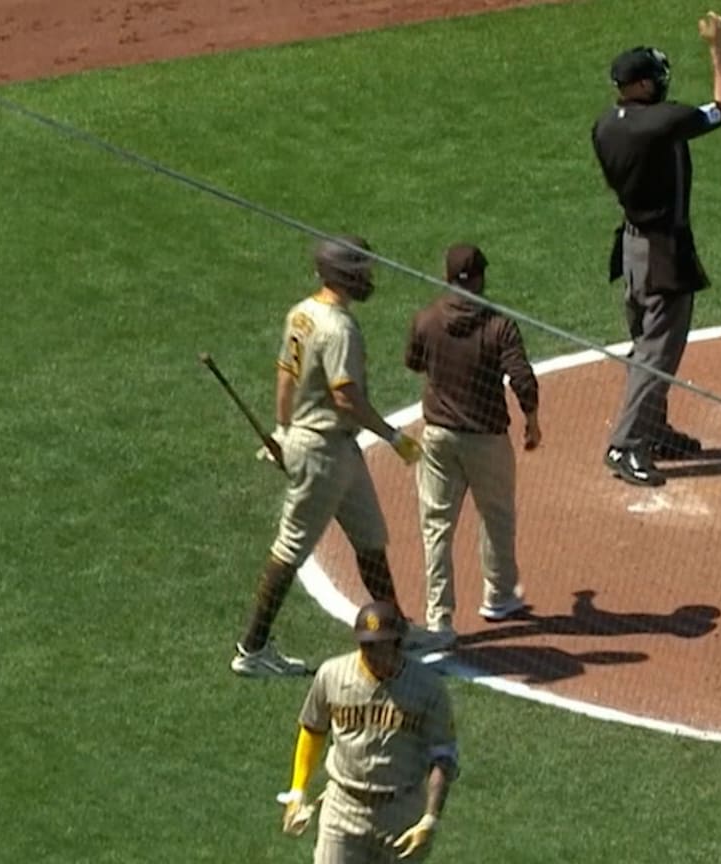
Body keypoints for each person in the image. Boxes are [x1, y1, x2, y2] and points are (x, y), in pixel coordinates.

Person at [231, 235, 426, 678]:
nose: (367, 277)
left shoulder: (302, 313)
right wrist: (392, 436)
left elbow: (286, 373)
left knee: (371, 535)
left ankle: (396, 629)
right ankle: (252, 647)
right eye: (361, 270)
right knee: (291, 545)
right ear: (345, 275)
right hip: (324, 449)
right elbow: (346, 397)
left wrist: (282, 429)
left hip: (333, 448)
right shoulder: (340, 328)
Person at [591, 11, 721, 487]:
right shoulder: (662, 123)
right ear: (641, 85)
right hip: (661, 254)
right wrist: (717, 50)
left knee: (646, 344)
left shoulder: (606, 125)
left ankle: (653, 429)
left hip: (631, 249)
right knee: (656, 352)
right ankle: (625, 443)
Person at [404, 244, 541, 651]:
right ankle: (498, 595)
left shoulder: (426, 320)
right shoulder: (499, 327)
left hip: (438, 438)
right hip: (486, 438)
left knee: (437, 527)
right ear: (482, 277)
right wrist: (532, 420)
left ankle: (439, 618)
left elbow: (414, 362)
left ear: (447, 277)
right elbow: (522, 378)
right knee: (496, 515)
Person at [278, 601, 459, 863]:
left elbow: (443, 756)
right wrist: (297, 790)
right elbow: (313, 728)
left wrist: (430, 819)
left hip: (401, 810)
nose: (371, 654)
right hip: (342, 807)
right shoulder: (332, 675)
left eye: (379, 646)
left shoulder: (428, 688)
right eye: (365, 645)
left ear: (398, 644)